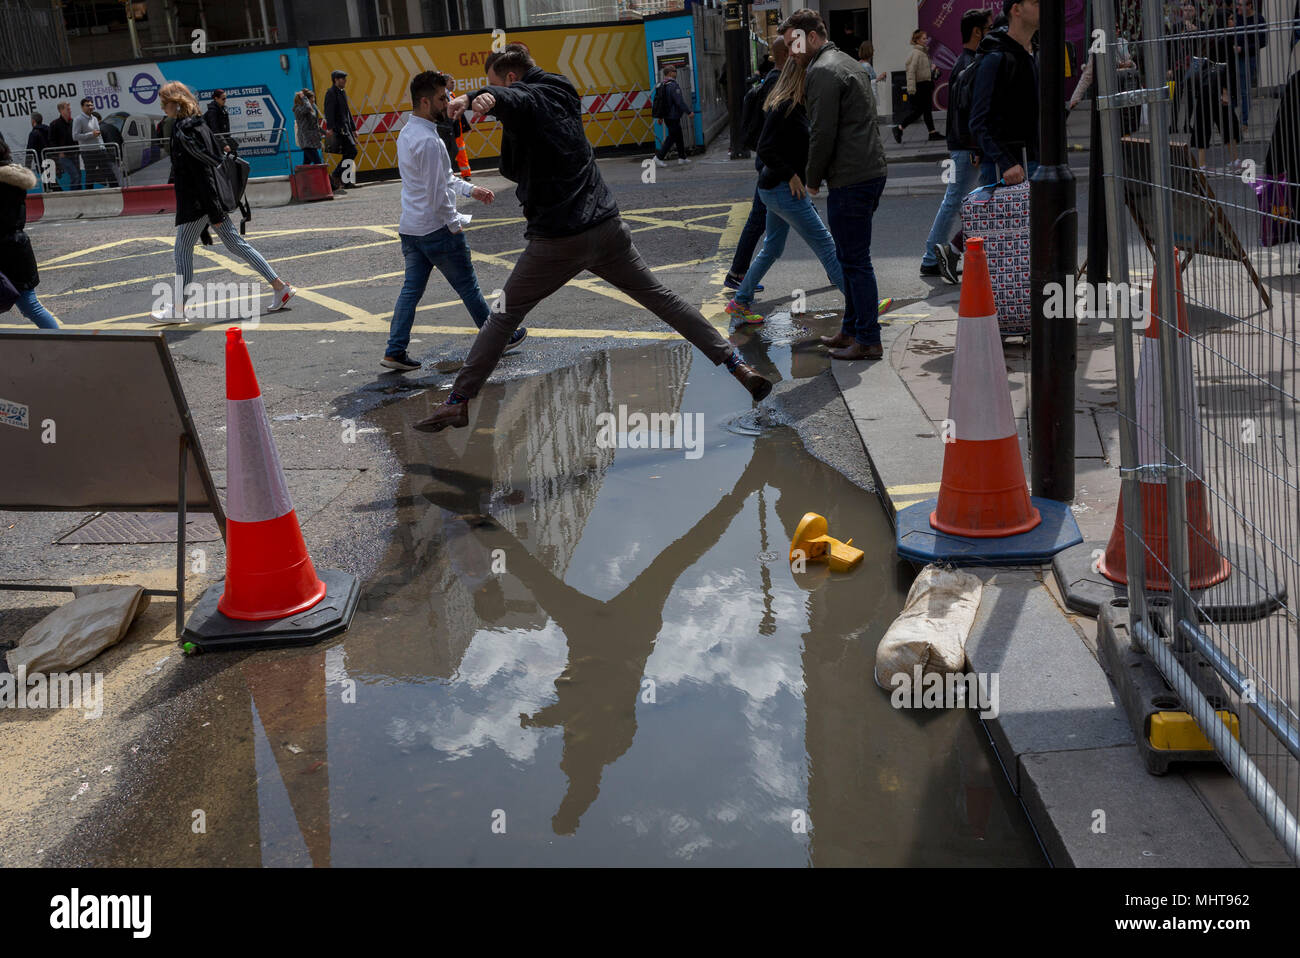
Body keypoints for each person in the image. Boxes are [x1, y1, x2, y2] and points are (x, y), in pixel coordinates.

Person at [413, 44, 771, 433]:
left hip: (557, 239)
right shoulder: (552, 99)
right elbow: (513, 165)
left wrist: (488, 99)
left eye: (495, 83)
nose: (493, 91)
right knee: (662, 299)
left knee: (501, 317)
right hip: (606, 228)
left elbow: (524, 97)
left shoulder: (542, 92)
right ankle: (738, 367)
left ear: (511, 79)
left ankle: (458, 401)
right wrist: (506, 116)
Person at [382, 70, 526, 372]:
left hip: (411, 229)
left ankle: (395, 351)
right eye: (440, 97)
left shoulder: (408, 132)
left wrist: (470, 189)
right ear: (424, 102)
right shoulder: (430, 141)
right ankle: (500, 340)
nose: (447, 101)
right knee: (469, 286)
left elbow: (439, 179)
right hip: (436, 228)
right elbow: (437, 193)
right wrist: (453, 223)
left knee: (411, 291)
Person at [782, 9, 888, 361]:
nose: (792, 52)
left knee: (855, 262)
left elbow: (822, 132)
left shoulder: (822, 71)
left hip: (851, 176)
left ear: (813, 36)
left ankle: (868, 339)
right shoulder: (845, 61)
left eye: (795, 42)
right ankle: (852, 331)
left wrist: (812, 178)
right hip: (866, 170)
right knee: (848, 258)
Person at [156, 81, 296, 322]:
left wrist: (215, 213)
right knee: (236, 244)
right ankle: (280, 287)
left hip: (199, 203)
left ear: (175, 103)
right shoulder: (198, 125)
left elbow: (202, 173)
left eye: (164, 103)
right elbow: (211, 165)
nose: (162, 109)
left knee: (182, 251)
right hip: (206, 201)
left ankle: (179, 308)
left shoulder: (185, 130)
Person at [724, 56, 849, 327]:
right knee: (825, 244)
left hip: (777, 189)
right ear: (800, 77)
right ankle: (861, 304)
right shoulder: (785, 107)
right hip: (783, 190)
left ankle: (740, 302)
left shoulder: (797, 106)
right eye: (811, 75)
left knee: (772, 248)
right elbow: (766, 148)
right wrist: (791, 175)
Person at [921, 8, 994, 283]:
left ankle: (935, 256)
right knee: (955, 201)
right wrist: (975, 147)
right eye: (987, 28)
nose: (991, 33)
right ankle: (932, 257)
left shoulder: (965, 62)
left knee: (956, 201)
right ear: (977, 32)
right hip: (966, 147)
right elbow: (968, 111)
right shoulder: (970, 64)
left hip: (962, 145)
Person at [723, 34, 789, 292]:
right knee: (762, 221)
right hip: (774, 165)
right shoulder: (776, 84)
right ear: (785, 54)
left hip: (772, 164)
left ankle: (738, 274)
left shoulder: (773, 81)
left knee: (766, 225)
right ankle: (738, 275)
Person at [969, 0, 1041, 186]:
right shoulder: (996, 58)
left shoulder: (1033, 54)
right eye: (1036, 2)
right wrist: (1007, 162)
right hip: (1006, 170)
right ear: (1016, 9)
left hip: (1033, 162)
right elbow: (978, 121)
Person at [0, 139, 58, 329]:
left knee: (30, 305)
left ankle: (63, 342)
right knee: (29, 305)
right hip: (16, 247)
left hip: (7, 249)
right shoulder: (13, 176)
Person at [1187, 35, 1241, 171]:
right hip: (1217, 92)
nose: (1232, 21)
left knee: (1203, 126)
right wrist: (1226, 92)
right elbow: (1229, 69)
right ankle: (1234, 160)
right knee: (1227, 125)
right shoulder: (1223, 41)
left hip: (1205, 92)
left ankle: (1202, 164)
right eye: (1230, 18)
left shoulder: (1207, 41)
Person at [893, 30, 944, 143]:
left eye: (926, 38)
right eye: (923, 38)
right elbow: (911, 71)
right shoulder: (916, 53)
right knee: (920, 111)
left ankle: (932, 132)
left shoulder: (923, 53)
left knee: (926, 110)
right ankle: (900, 128)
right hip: (920, 86)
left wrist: (933, 71)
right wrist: (911, 88)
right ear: (917, 40)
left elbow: (924, 70)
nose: (926, 40)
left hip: (925, 84)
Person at [324, 69, 359, 192]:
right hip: (339, 129)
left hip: (347, 128)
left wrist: (354, 129)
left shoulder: (342, 92)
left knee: (349, 153)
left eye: (345, 79)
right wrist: (330, 128)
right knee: (352, 151)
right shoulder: (331, 93)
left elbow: (347, 112)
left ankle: (346, 181)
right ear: (335, 80)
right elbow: (329, 112)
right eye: (342, 79)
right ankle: (336, 174)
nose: (345, 81)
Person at [1235, 0, 1267, 128]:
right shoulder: (1236, 17)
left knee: (1244, 90)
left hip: (1248, 57)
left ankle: (1243, 121)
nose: (1238, 7)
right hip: (1232, 56)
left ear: (1249, 6)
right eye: (1237, 4)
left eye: (1241, 5)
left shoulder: (1258, 19)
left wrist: (1243, 49)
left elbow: (1262, 42)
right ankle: (1231, 120)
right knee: (1230, 88)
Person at [653, 64, 693, 166]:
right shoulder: (673, 85)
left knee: (678, 136)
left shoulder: (662, 84)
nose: (676, 72)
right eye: (674, 71)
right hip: (673, 115)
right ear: (670, 73)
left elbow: (661, 102)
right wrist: (689, 112)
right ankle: (658, 157)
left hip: (667, 115)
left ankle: (682, 157)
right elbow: (679, 101)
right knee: (672, 137)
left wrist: (660, 116)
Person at [73, 98, 116, 189]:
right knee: (90, 175)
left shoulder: (95, 118)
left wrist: (102, 146)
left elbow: (98, 134)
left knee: (109, 171)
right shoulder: (78, 119)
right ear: (82, 107)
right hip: (88, 151)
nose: (90, 107)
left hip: (100, 149)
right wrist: (91, 134)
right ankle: (89, 193)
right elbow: (75, 136)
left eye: (91, 105)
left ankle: (116, 189)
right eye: (87, 105)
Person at [47, 101, 76, 191]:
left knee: (76, 176)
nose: (70, 111)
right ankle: (74, 195)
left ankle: (77, 194)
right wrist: (59, 152)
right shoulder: (54, 124)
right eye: (68, 109)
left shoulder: (73, 122)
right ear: (61, 110)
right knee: (75, 175)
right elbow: (51, 141)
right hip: (64, 156)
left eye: (70, 109)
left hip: (75, 154)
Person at [294, 89, 324, 165]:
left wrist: (324, 132)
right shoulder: (299, 109)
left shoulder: (310, 110)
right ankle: (322, 177)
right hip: (306, 141)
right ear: (306, 99)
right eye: (312, 98)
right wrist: (304, 97)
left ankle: (301, 176)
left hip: (311, 141)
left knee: (306, 163)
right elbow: (306, 108)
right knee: (318, 162)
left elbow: (314, 125)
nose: (313, 100)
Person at [204, 89, 235, 154]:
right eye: (223, 99)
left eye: (225, 98)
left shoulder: (223, 109)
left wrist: (228, 140)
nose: (225, 101)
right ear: (216, 98)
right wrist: (224, 144)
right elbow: (215, 130)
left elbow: (225, 128)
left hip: (224, 138)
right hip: (215, 141)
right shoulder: (212, 112)